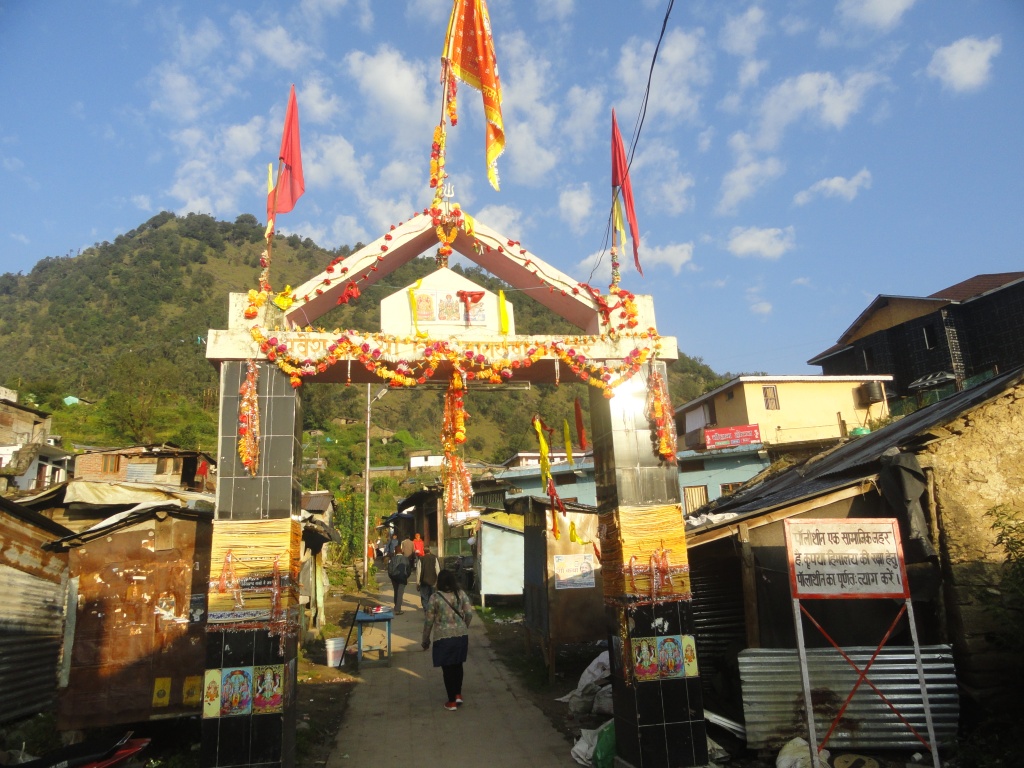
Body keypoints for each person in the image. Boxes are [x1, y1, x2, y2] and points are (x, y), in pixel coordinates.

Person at [421, 569, 473, 711]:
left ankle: (451, 702)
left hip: (443, 638)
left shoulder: (435, 598)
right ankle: (457, 694)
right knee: (458, 665)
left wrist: (425, 640)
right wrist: (463, 626)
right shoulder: (460, 594)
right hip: (461, 636)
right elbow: (469, 613)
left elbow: (429, 621)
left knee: (448, 669)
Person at [415, 544, 440, 611]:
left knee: (424, 597)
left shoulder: (421, 559)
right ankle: (432, 611)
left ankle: (426, 611)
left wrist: (417, 583)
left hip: (424, 581)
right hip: (433, 581)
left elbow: (418, 572)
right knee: (433, 597)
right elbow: (438, 570)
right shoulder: (434, 558)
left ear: (424, 551)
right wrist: (438, 581)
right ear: (430, 550)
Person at [387, 550, 411, 614]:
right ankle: (398, 609)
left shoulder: (392, 559)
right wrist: (406, 576)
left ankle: (396, 606)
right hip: (403, 577)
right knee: (400, 593)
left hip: (394, 578)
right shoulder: (406, 559)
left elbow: (389, 569)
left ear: (395, 552)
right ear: (401, 552)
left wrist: (392, 577)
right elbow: (408, 570)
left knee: (396, 591)